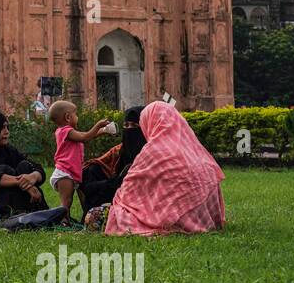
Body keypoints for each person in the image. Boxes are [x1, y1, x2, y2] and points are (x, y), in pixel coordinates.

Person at [104, 100, 225, 236]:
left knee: (95, 215)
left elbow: (127, 195)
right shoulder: (195, 152)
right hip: (204, 219)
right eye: (126, 126)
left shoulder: (153, 152)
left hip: (168, 219)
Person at [48, 100, 111, 219]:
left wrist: (103, 131)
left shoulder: (68, 131)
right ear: (67, 117)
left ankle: (85, 218)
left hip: (73, 172)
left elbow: (85, 134)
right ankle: (63, 221)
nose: (77, 117)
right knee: (67, 201)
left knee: (84, 197)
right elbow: (85, 137)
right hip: (65, 173)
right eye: (75, 114)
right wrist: (98, 125)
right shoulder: (65, 131)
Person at [80, 105, 145, 211]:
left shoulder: (150, 152)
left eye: (134, 125)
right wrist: (111, 183)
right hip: (112, 190)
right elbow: (99, 165)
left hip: (136, 199)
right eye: (126, 125)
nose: (129, 129)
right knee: (91, 170)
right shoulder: (119, 150)